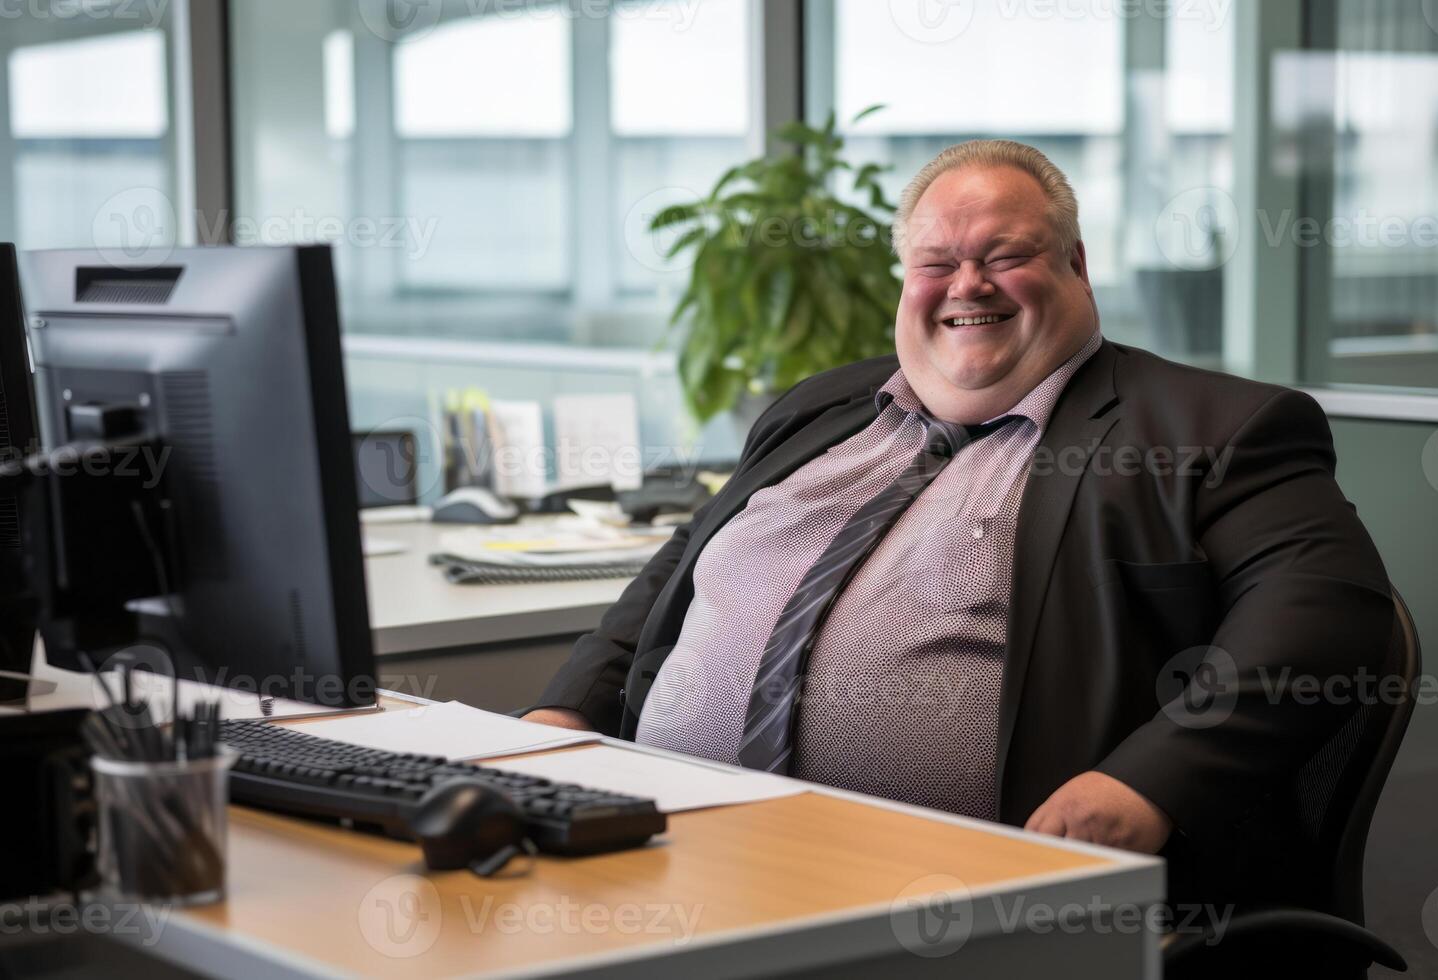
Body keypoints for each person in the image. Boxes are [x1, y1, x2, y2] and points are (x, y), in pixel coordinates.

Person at [524, 140, 1392, 913]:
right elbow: (692, 559)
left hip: (964, 909)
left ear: (1077, 264)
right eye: (936, 262)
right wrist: (569, 705)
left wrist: (1148, 784)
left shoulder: (1210, 428)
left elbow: (1324, 611)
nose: (967, 285)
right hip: (668, 856)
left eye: (1005, 256)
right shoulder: (818, 407)